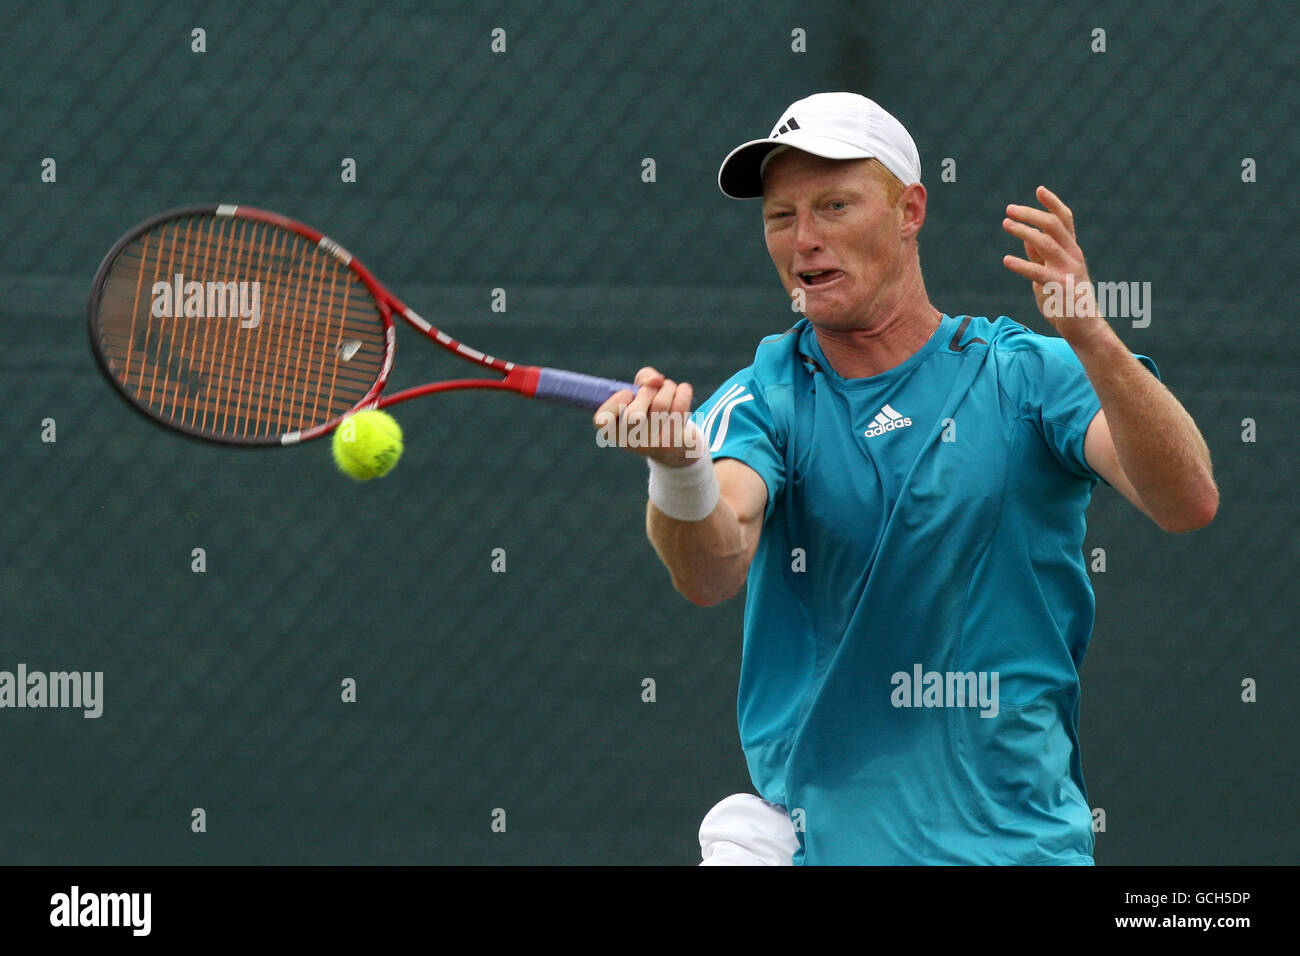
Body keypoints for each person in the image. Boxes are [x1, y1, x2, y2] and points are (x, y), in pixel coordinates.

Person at [594, 92, 1218, 865]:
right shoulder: (768, 394)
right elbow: (712, 567)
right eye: (780, 216)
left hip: (1022, 847)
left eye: (834, 205)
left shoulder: (1026, 375)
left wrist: (1092, 336)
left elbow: (1187, 499)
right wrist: (678, 468)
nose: (805, 240)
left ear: (909, 210)